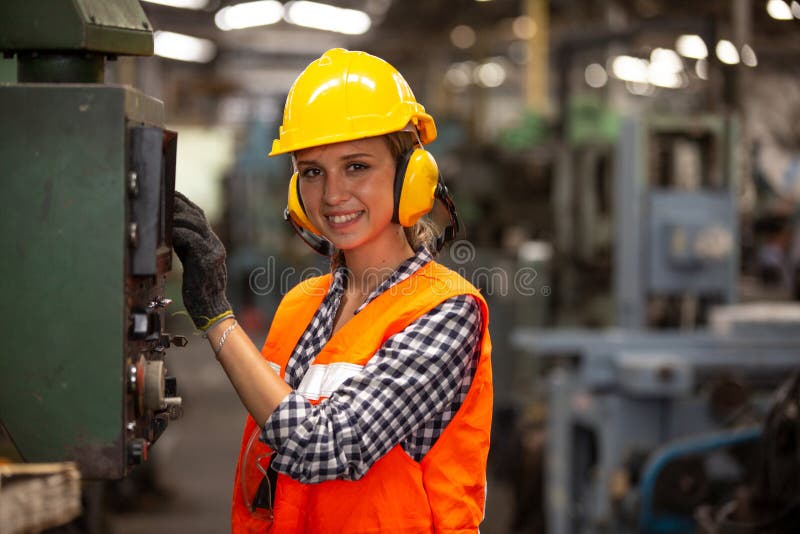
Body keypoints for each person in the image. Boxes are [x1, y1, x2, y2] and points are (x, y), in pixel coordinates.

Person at [172, 48, 493, 533]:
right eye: (312, 172)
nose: (332, 195)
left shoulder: (447, 312)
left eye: (357, 166)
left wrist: (218, 319)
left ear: (412, 175)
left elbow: (326, 445)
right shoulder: (300, 304)